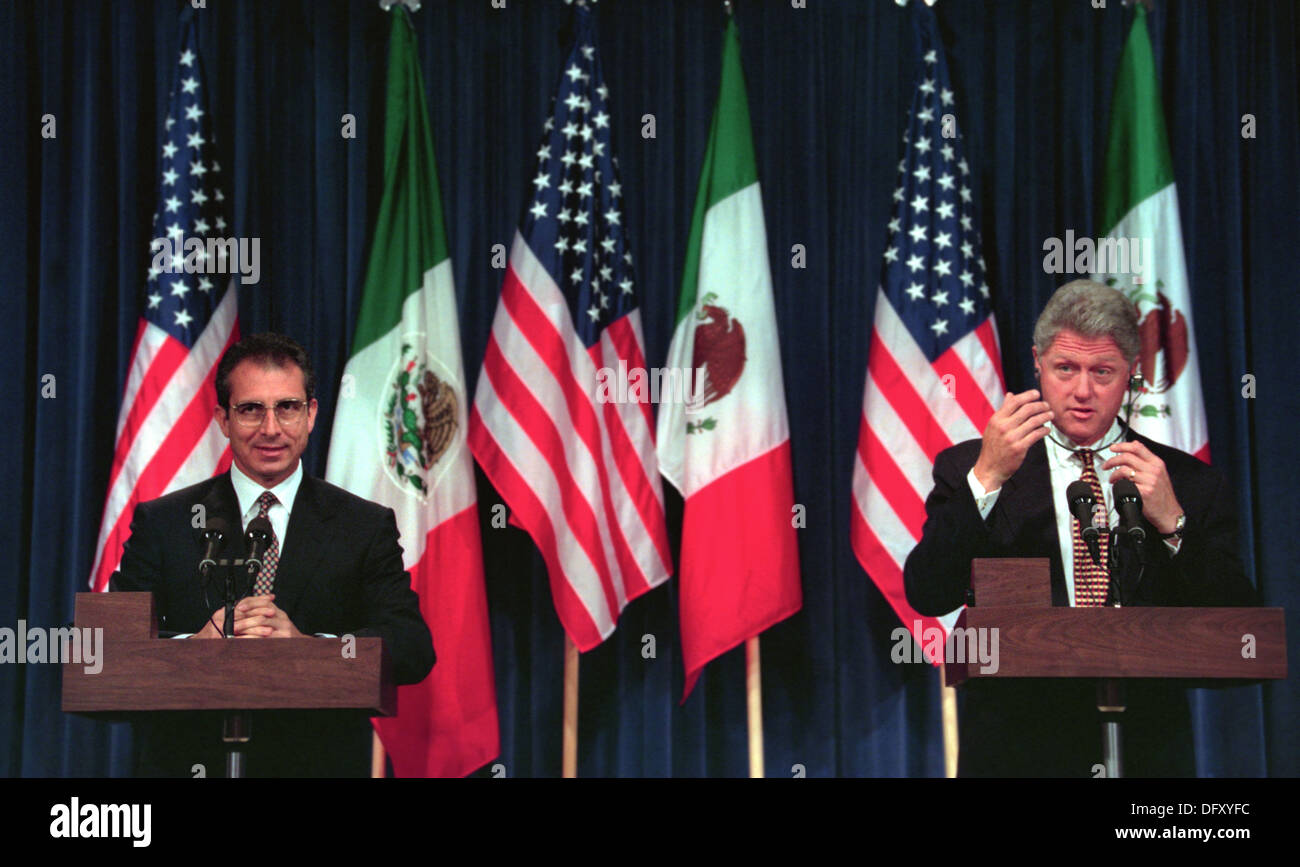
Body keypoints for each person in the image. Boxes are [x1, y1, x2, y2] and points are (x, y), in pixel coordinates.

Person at [904, 280, 1255, 777]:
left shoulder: (1186, 482)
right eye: (1065, 368)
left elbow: (1241, 635)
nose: (1082, 391)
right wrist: (985, 481)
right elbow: (927, 591)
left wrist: (1175, 526)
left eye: (1103, 372)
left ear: (1132, 374)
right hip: (1016, 753)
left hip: (1146, 757)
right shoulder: (972, 468)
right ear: (1037, 363)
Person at [112, 333, 435, 777]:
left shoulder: (363, 526)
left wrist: (307, 650)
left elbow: (412, 648)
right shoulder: (164, 523)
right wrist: (193, 649)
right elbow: (106, 654)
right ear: (223, 419)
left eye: (287, 407)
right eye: (250, 410)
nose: (271, 428)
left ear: (311, 415)